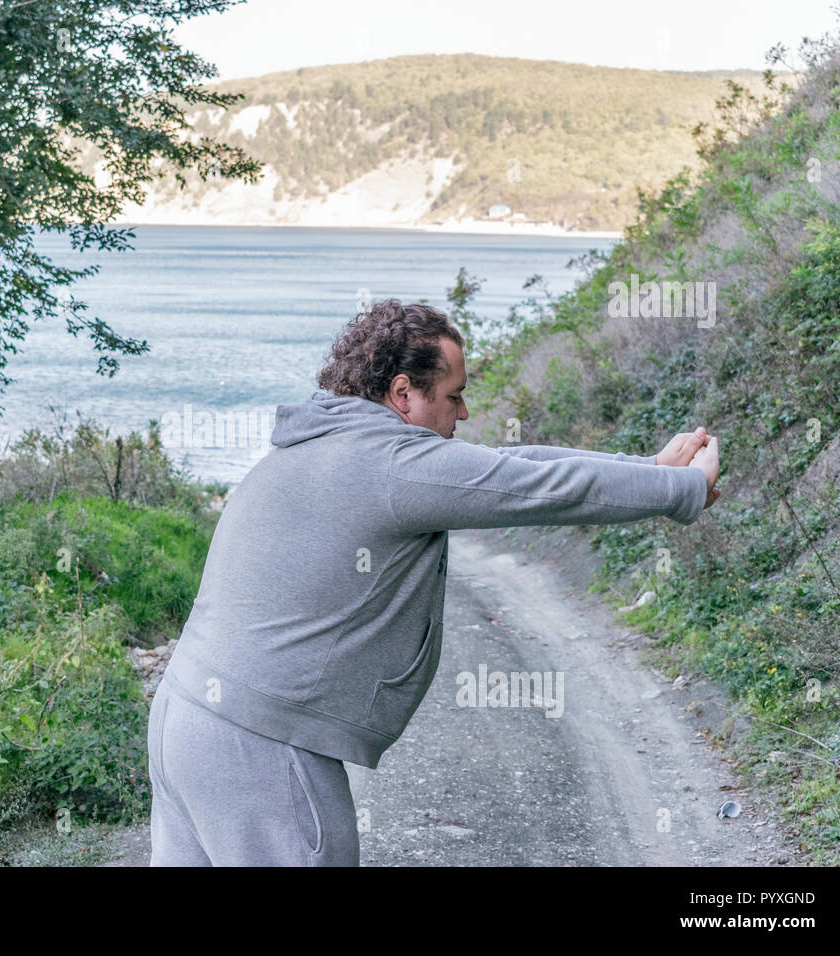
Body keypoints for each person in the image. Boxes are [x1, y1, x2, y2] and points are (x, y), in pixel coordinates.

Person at [147, 299, 721, 866]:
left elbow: (508, 466)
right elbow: (540, 488)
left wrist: (650, 470)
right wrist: (683, 492)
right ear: (403, 394)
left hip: (183, 722)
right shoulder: (394, 467)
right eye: (453, 395)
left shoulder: (326, 444)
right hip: (260, 746)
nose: (464, 412)